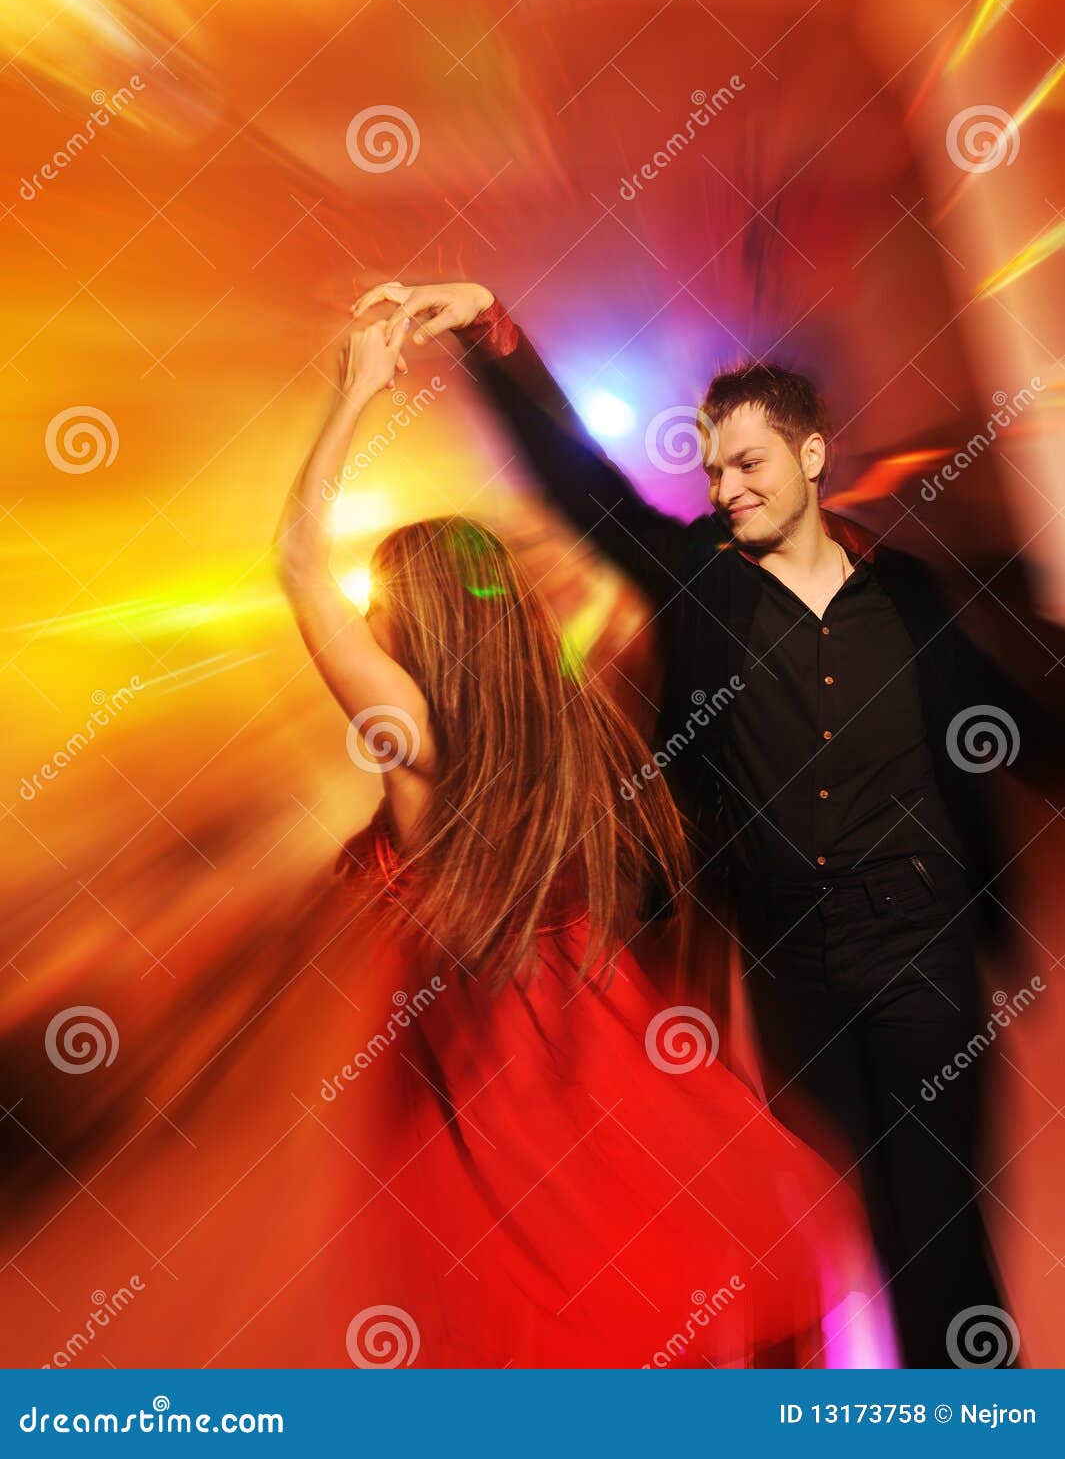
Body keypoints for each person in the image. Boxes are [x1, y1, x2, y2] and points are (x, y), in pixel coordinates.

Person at [350, 278, 1063, 1368]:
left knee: (941, 1234)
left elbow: (1006, 724)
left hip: (921, 956)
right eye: (711, 467)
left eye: (749, 463)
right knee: (853, 1218)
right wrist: (494, 337)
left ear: (812, 458)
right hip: (790, 971)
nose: (724, 487)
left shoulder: (909, 599)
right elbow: (579, 492)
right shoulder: (699, 586)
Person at [273, 314, 882, 1369]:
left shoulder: (411, 736)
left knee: (533, 1305)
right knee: (653, 1246)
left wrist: (355, 391)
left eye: (379, 604)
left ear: (409, 621)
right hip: (589, 1048)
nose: (366, 626)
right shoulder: (558, 731)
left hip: (486, 1091)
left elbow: (292, 561)